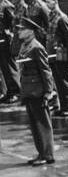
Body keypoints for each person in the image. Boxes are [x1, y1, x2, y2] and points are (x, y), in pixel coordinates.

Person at [14, 17, 56, 165]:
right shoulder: (25, 45)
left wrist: (48, 91)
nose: (19, 31)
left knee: (43, 124)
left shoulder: (36, 47)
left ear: (30, 31)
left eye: (22, 29)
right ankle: (41, 153)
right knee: (34, 124)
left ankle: (48, 154)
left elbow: (46, 71)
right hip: (28, 89)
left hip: (38, 90)